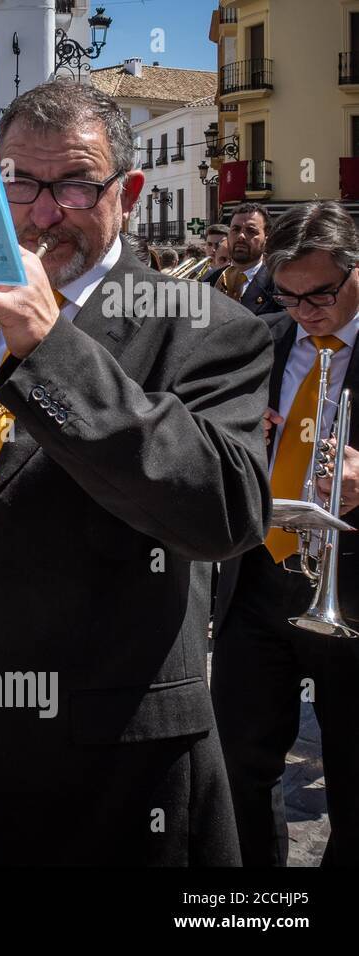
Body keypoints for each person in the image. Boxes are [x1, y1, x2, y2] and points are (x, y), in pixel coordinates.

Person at [0, 78, 273, 866]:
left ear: (128, 191)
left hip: (100, 777)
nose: (41, 213)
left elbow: (226, 511)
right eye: (18, 182)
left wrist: (52, 352)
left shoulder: (208, 328)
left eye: (74, 184)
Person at [212, 200, 359, 866]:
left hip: (352, 590)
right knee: (239, 764)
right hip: (259, 583)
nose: (305, 312)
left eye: (322, 294)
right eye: (290, 297)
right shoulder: (262, 339)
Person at [208, 203, 278, 315]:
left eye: (251, 231)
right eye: (235, 229)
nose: (241, 236)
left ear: (266, 239)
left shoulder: (278, 284)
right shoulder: (209, 280)